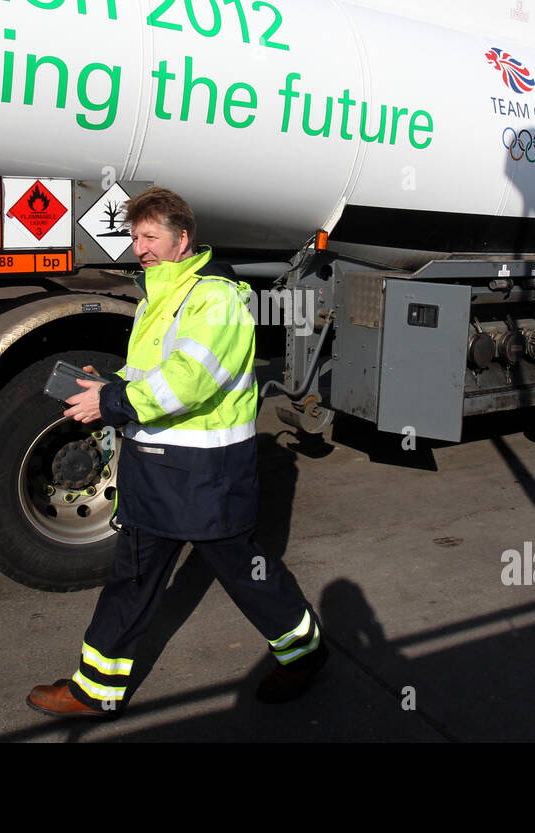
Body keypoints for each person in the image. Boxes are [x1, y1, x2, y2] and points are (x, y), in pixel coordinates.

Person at [27, 187, 326, 717]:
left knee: (243, 570)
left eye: (150, 236)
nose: (140, 247)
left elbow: (190, 382)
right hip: (156, 470)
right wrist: (111, 382)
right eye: (135, 237)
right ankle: (95, 690)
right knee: (133, 578)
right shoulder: (158, 294)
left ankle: (303, 652)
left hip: (205, 476)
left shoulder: (216, 297)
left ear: (181, 238)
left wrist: (113, 401)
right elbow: (154, 374)